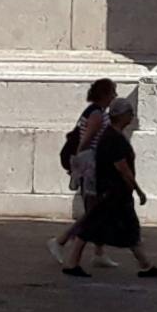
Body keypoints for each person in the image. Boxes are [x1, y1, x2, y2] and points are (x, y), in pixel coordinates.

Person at [71, 96, 157, 279]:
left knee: (122, 227)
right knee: (93, 226)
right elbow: (122, 167)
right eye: (130, 113)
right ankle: (72, 262)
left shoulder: (111, 136)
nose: (132, 116)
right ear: (122, 116)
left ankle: (146, 264)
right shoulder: (114, 139)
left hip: (112, 191)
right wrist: (138, 189)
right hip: (114, 192)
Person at [51, 79, 116, 271]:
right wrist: (79, 168)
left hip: (92, 167)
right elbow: (85, 142)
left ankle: (99, 253)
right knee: (94, 212)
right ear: (104, 94)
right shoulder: (96, 114)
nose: (115, 96)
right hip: (91, 168)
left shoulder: (94, 112)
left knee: (96, 211)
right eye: (113, 92)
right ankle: (61, 241)